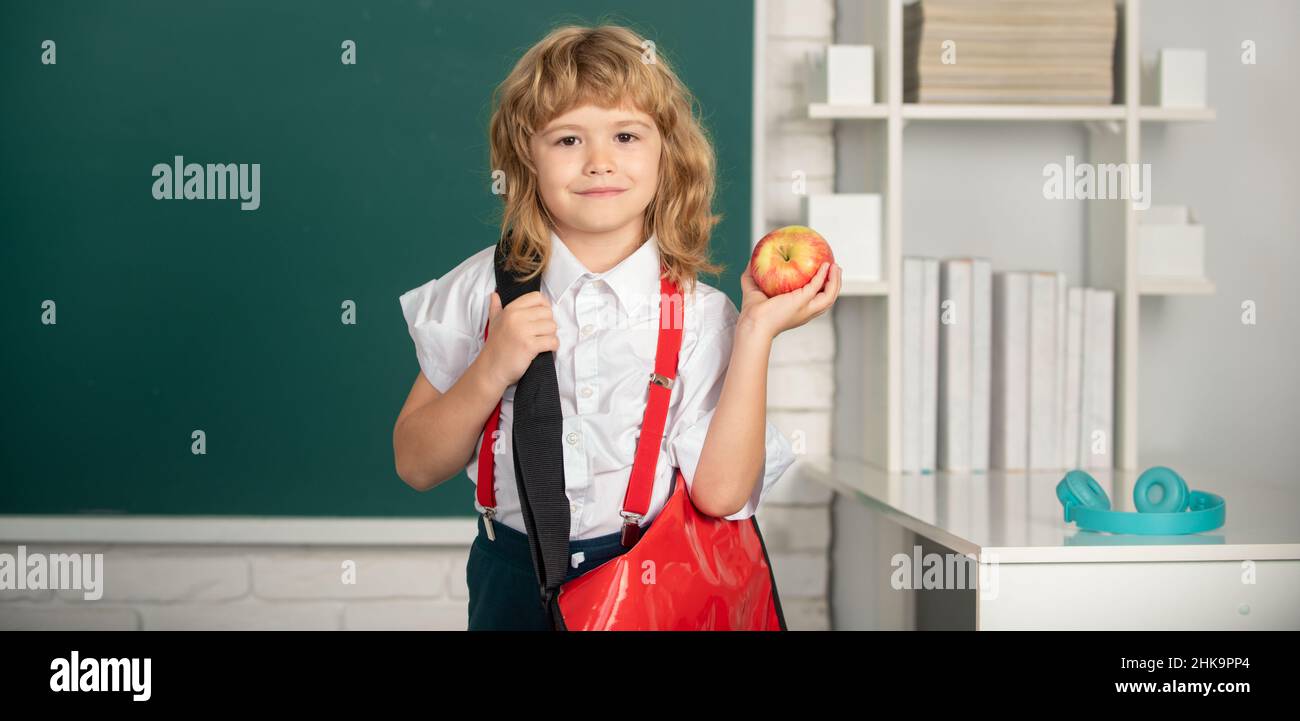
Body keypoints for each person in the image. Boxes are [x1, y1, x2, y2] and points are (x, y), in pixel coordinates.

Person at [393, 24, 842, 631]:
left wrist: (755, 335)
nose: (599, 161)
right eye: (568, 138)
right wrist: (490, 369)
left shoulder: (703, 316)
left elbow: (721, 496)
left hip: (645, 580)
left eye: (626, 135)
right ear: (528, 154)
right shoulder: (481, 290)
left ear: (667, 153)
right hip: (511, 582)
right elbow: (416, 464)